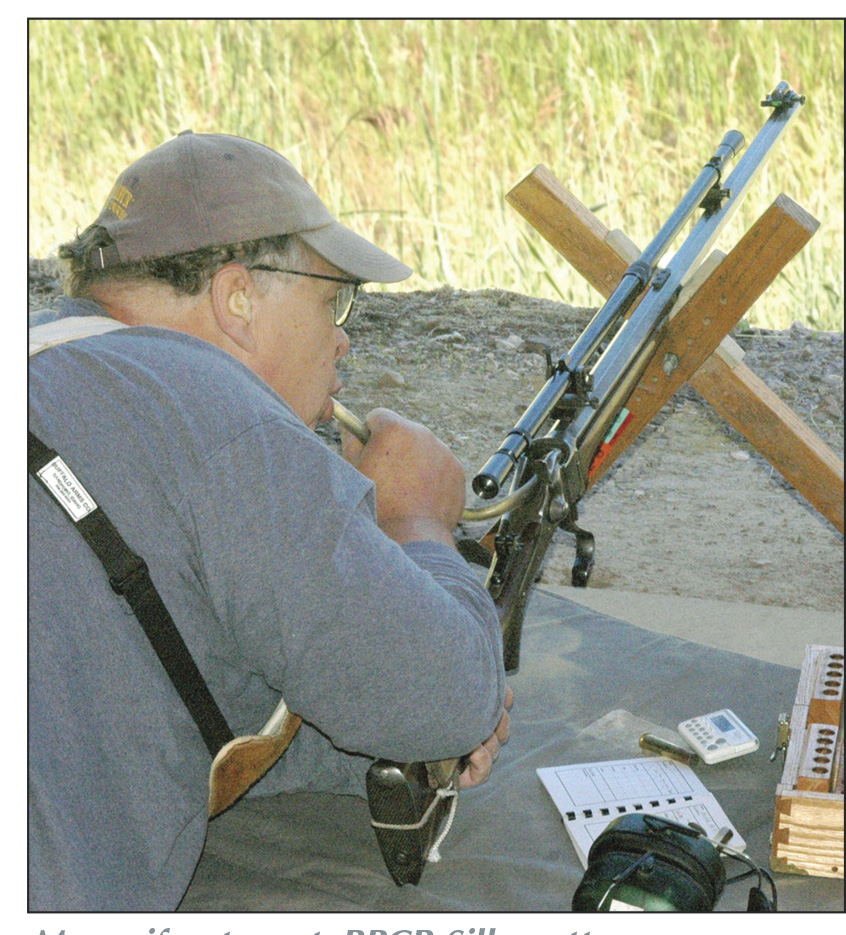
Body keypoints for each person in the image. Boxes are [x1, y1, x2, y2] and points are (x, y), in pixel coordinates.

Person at [28, 131, 510, 911]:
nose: (344, 339)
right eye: (333, 300)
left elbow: (169, 688)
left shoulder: (50, 366)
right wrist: (419, 520)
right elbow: (449, 695)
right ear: (238, 299)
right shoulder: (213, 411)